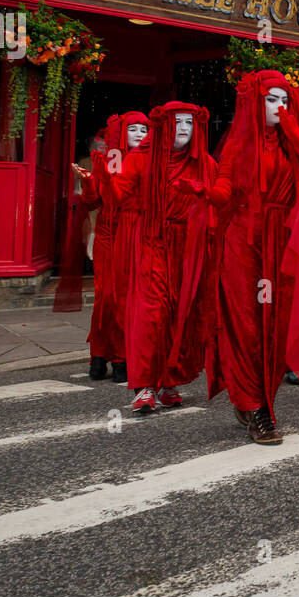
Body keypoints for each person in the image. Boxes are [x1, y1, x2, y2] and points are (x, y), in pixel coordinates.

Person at [208, 71, 299, 443]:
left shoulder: (291, 145)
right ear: (253, 102)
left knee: (277, 326)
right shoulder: (239, 144)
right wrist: (210, 192)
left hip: (282, 241)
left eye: (284, 99)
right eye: (270, 99)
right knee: (247, 325)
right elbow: (225, 184)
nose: (278, 106)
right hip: (243, 243)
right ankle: (257, 407)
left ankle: (257, 398)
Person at [80, 103, 217, 412]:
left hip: (189, 247)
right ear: (164, 127)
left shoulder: (205, 163)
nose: (184, 127)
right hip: (152, 242)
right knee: (150, 313)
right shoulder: (141, 160)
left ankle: (169, 381)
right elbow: (116, 197)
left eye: (190, 122)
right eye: (177, 122)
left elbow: (221, 199)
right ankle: (144, 385)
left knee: (179, 315)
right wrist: (101, 174)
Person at [72, 112, 148, 382]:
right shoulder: (108, 160)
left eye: (144, 129)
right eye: (133, 129)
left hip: (138, 233)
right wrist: (89, 180)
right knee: (107, 298)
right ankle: (102, 355)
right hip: (109, 234)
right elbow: (93, 202)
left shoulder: (151, 161)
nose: (140, 134)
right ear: (121, 133)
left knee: (128, 298)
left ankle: (119, 357)